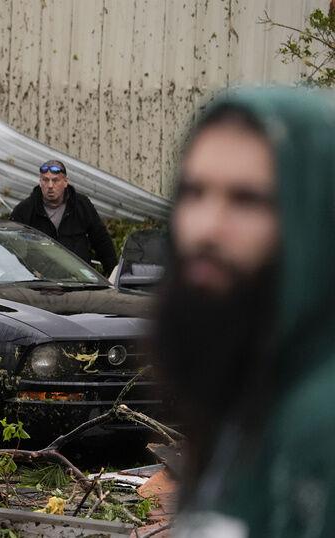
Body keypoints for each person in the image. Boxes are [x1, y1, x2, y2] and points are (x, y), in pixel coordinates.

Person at [156, 88, 335, 537]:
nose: (207, 228)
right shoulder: (247, 385)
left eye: (247, 200)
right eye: (194, 192)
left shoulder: (321, 426)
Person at [10, 160, 117, 275]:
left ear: (65, 182)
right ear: (40, 182)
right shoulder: (25, 210)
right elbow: (10, 247)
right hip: (40, 281)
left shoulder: (81, 205)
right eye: (45, 180)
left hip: (79, 279)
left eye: (55, 180)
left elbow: (102, 241)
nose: (50, 186)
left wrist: (113, 274)